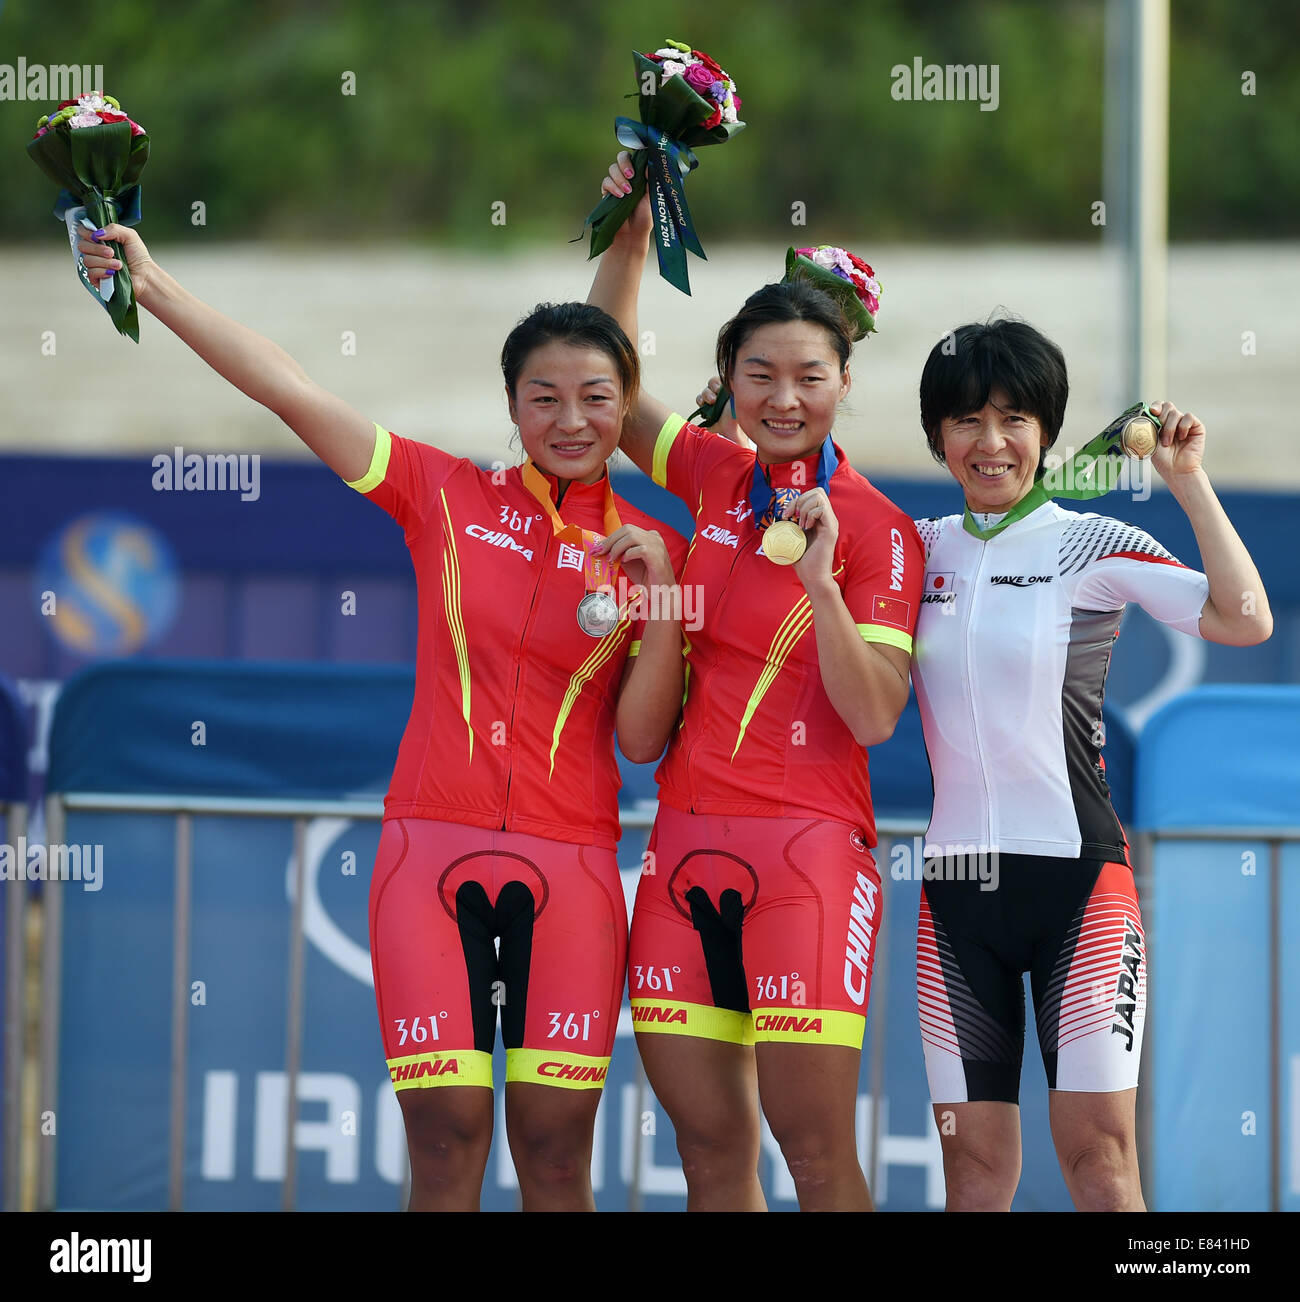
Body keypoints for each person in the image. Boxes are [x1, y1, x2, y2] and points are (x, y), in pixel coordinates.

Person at [75, 224, 689, 1212]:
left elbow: (641, 741)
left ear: (625, 408)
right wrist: (154, 286)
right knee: (445, 1140)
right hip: (428, 852)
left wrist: (660, 601)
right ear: (511, 407)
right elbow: (293, 389)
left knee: (555, 1149)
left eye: (595, 398)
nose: (570, 418)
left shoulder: (657, 548)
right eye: (544, 397)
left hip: (573, 862)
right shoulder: (442, 493)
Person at [588, 154, 924, 1210]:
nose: (783, 399)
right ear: (729, 378)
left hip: (810, 857)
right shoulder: (712, 477)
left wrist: (821, 582)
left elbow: (871, 713)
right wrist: (632, 234)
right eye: (760, 375)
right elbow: (609, 391)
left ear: (844, 383)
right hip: (683, 844)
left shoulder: (881, 531)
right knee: (709, 1159)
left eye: (808, 377)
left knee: (819, 1163)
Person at [909, 316, 1272, 1211]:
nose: (991, 443)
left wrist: (1188, 484)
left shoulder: (1090, 542)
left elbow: (1244, 617)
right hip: (954, 896)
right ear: (936, 437)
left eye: (1015, 420)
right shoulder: (912, 548)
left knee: (1101, 1163)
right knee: (974, 1172)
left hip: (1080, 888)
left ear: (1048, 432)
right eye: (966, 421)